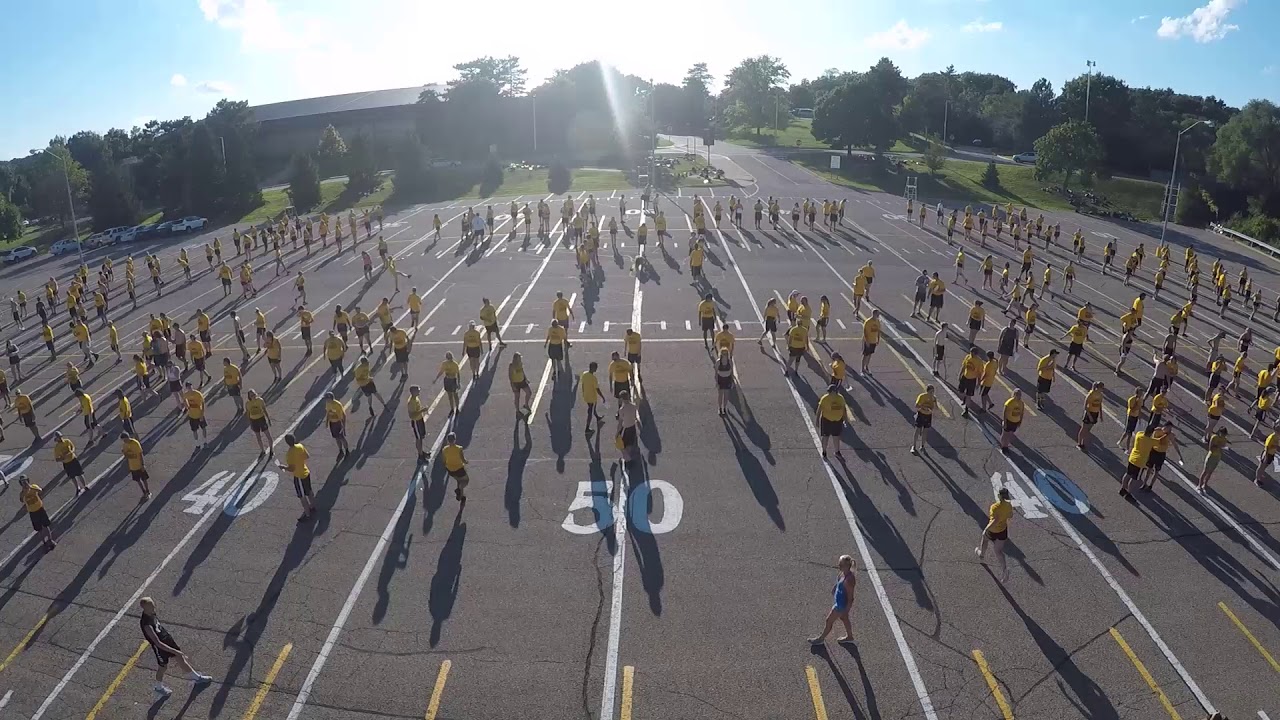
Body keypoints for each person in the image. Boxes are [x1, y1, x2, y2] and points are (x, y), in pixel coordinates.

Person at [138, 596, 214, 698]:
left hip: (167, 640)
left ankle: (196, 677)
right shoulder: (146, 624)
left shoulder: (152, 613)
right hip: (160, 648)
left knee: (180, 658)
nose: (154, 606)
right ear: (144, 608)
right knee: (163, 667)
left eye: (153, 604)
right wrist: (175, 651)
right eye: (151, 606)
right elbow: (157, 643)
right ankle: (158, 687)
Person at [808, 554, 856, 645]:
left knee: (829, 620)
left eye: (841, 565)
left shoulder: (849, 580)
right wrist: (835, 588)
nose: (839, 566)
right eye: (839, 564)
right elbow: (838, 582)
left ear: (847, 566)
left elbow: (850, 597)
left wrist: (846, 609)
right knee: (844, 619)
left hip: (840, 605)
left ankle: (821, 639)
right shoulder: (842, 573)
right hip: (839, 601)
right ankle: (850, 637)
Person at [976, 487, 1013, 582]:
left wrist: (986, 529)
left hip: (993, 530)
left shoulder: (995, 507)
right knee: (998, 551)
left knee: (984, 539)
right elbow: (1010, 515)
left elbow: (994, 520)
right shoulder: (1008, 505)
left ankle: (981, 554)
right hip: (1003, 530)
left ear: (999, 495)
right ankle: (1004, 570)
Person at [279, 434, 315, 522]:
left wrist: (284, 467)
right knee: (309, 491)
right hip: (306, 472)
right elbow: (307, 456)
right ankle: (313, 506)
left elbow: (292, 468)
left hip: (299, 476)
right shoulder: (300, 446)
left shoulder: (289, 454)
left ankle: (307, 514)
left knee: (302, 497)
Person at [19, 476, 56, 550]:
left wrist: (31, 488)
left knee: (46, 526)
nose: (25, 483)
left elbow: (40, 491)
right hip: (33, 512)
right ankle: (44, 543)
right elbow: (21, 499)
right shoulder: (22, 493)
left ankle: (50, 540)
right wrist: (24, 491)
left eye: (25, 481)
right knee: (39, 529)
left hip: (40, 509)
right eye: (23, 482)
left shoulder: (33, 486)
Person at [817, 382, 847, 459]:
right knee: (825, 437)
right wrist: (817, 420)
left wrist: (845, 419)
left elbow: (844, 409)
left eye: (830, 391)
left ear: (834, 392)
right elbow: (819, 409)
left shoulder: (840, 398)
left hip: (837, 421)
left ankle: (837, 452)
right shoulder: (825, 398)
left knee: (836, 437)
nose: (828, 393)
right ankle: (824, 451)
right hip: (826, 420)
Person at [1120, 429, 1153, 499]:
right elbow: (1159, 441)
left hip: (1132, 458)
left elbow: (1141, 432)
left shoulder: (1139, 434)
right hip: (1139, 462)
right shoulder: (1151, 441)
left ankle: (1122, 489)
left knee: (1128, 474)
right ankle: (1129, 493)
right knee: (1134, 478)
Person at [442, 432, 469, 506]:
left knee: (459, 480)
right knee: (465, 481)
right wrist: (466, 462)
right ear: (454, 440)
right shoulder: (459, 448)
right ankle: (459, 490)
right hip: (459, 468)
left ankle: (461, 496)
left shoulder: (445, 449)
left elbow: (444, 461)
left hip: (450, 469)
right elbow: (462, 459)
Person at [1199, 428, 1229, 493]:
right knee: (1205, 471)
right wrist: (1219, 446)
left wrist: (1222, 448)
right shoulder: (1214, 437)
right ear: (1220, 432)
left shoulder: (1224, 439)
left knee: (1210, 472)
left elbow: (1222, 447)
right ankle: (1199, 485)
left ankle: (1205, 484)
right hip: (1211, 456)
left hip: (1217, 457)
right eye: (1223, 434)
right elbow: (1210, 448)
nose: (1223, 436)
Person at [578, 361, 606, 431]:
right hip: (592, 397)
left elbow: (583, 384)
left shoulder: (584, 374)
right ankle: (587, 428)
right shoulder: (593, 378)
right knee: (590, 411)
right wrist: (602, 397)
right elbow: (597, 389)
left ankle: (597, 417)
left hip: (586, 395)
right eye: (596, 368)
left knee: (592, 408)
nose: (596, 369)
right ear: (593, 368)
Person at [245, 389, 273, 456]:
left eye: (254, 394)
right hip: (254, 420)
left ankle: (271, 449)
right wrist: (250, 423)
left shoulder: (260, 400)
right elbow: (248, 413)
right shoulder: (248, 403)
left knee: (268, 435)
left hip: (261, 419)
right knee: (258, 437)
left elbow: (264, 409)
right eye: (251, 395)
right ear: (249, 396)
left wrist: (268, 418)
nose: (253, 396)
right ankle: (262, 450)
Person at [911, 384, 937, 455]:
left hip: (928, 415)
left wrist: (934, 402)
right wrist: (923, 407)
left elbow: (936, 408)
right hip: (921, 414)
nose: (932, 393)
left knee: (925, 431)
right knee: (917, 430)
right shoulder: (922, 396)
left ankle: (922, 446)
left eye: (933, 392)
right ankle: (914, 446)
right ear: (927, 391)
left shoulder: (933, 398)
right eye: (931, 392)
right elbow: (916, 405)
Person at [406, 385, 430, 462]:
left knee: (421, 437)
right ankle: (420, 456)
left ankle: (421, 452)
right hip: (416, 422)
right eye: (417, 390)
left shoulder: (415, 398)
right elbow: (412, 415)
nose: (419, 391)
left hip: (420, 419)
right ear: (413, 392)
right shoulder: (411, 402)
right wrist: (422, 410)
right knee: (418, 439)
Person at [434, 351, 462, 416]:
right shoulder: (444, 363)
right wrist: (436, 378)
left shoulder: (455, 364)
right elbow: (441, 372)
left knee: (455, 395)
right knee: (450, 396)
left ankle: (457, 408)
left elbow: (458, 374)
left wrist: (458, 382)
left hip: (453, 380)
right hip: (447, 380)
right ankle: (452, 408)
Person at [1078, 381, 1104, 449]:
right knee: (1084, 429)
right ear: (1097, 388)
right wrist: (1089, 416)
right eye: (1101, 388)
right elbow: (1085, 406)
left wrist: (1101, 415)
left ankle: (1083, 442)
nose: (1102, 389)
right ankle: (1079, 443)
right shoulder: (1091, 394)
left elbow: (1100, 404)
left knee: (1088, 429)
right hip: (1089, 413)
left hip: (1095, 413)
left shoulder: (1100, 395)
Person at [183, 382, 209, 449]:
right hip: (192, 415)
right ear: (186, 388)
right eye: (188, 387)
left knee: (203, 428)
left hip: (199, 414)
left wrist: (202, 414)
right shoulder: (186, 394)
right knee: (194, 430)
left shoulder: (198, 394)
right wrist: (186, 406)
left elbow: (203, 404)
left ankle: (205, 442)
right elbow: (184, 400)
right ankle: (197, 444)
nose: (189, 388)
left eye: (190, 386)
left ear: (192, 386)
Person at [616, 391, 640, 462]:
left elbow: (620, 423)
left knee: (622, 444)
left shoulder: (621, 410)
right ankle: (628, 456)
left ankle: (627, 458)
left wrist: (617, 433)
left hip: (625, 428)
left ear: (622, 399)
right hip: (632, 427)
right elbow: (635, 417)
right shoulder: (633, 406)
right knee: (630, 443)